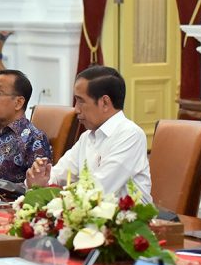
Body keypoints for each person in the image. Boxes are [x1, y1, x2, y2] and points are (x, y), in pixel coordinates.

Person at [26, 65, 151, 200]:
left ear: (104, 102)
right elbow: (58, 174)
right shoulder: (87, 137)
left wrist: (53, 193)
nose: (76, 109)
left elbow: (97, 190)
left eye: (81, 101)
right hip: (89, 216)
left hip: (129, 219)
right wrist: (39, 181)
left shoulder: (130, 135)